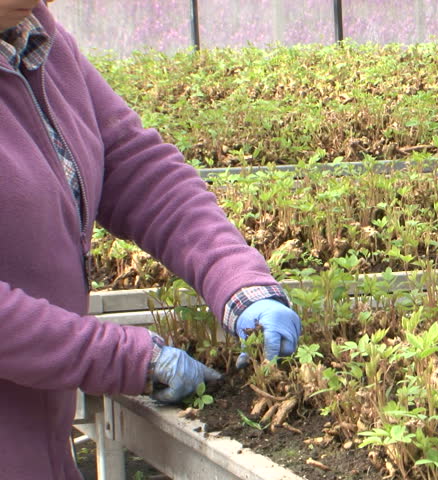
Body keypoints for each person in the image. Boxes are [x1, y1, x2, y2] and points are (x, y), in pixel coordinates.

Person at [0, 1, 301, 479]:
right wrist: (123, 357)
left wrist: (242, 287)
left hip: (39, 445)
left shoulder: (37, 43)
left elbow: (140, 171)